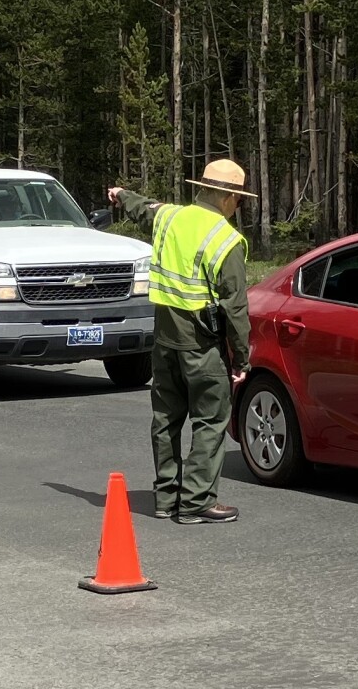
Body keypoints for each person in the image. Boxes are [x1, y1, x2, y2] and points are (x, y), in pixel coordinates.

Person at [107, 159, 253, 523]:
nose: (239, 207)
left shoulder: (171, 218)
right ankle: (197, 502)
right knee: (210, 421)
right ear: (227, 197)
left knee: (166, 419)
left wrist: (121, 194)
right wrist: (242, 360)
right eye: (239, 199)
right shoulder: (226, 240)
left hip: (165, 343)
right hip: (203, 346)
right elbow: (236, 308)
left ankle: (165, 497)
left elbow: (144, 208)